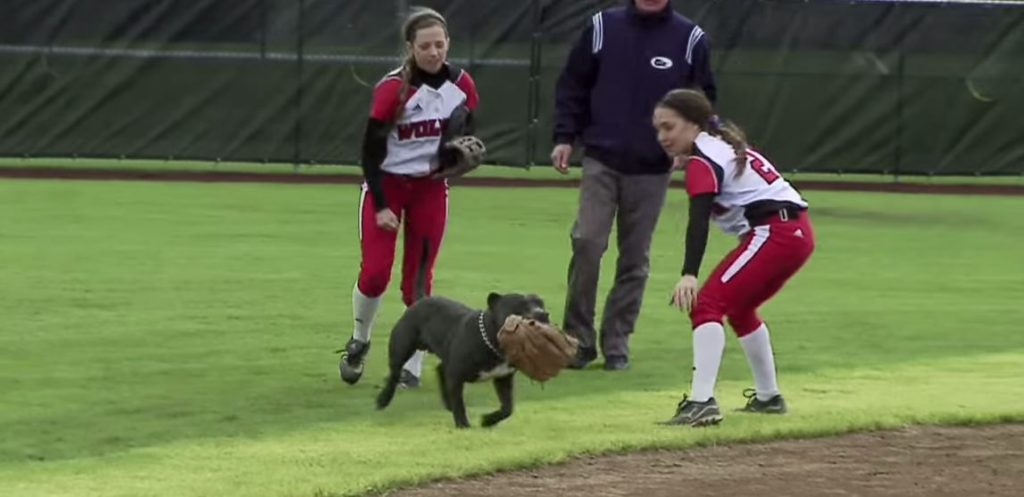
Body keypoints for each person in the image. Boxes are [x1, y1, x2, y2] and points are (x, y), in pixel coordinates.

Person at [551, 0, 717, 371]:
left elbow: (704, 101)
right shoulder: (600, 27)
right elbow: (573, 84)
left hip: (652, 168)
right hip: (601, 159)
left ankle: (617, 341)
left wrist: (690, 147)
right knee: (588, 243)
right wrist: (565, 136)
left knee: (635, 258)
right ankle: (577, 339)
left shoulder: (690, 39)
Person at [652, 88, 816, 427]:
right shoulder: (717, 146)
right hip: (795, 232)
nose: (662, 136)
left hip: (776, 232)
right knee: (739, 310)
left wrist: (688, 274)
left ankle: (701, 402)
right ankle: (769, 397)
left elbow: (698, 220)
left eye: (669, 127)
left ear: (693, 124)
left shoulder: (704, 158)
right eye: (659, 129)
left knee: (706, 305)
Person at [338, 7, 480, 389]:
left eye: (439, 44)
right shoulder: (394, 89)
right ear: (410, 47)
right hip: (388, 183)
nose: (433, 52)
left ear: (448, 43)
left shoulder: (462, 85)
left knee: (417, 282)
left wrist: (456, 155)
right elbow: (369, 151)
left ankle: (411, 366)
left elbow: (467, 127)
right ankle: (359, 340)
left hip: (429, 187)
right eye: (425, 46)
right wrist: (382, 204)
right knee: (375, 273)